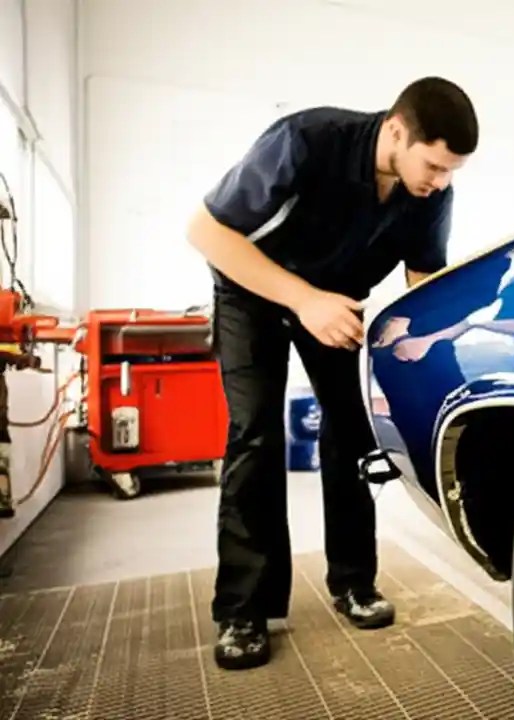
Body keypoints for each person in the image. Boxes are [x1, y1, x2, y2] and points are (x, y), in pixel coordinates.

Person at [186, 76, 478, 671]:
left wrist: (425, 344)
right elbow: (207, 231)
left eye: (452, 172)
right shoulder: (306, 139)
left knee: (352, 434)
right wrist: (302, 300)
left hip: (339, 300)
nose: (440, 181)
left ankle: (353, 582)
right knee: (256, 432)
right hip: (254, 289)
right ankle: (245, 609)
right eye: (434, 164)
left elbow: (422, 281)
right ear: (397, 130)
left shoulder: (430, 194)